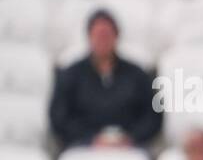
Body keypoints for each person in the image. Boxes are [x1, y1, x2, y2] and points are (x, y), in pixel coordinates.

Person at [48, 8, 161, 148]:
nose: (102, 40)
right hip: (82, 147)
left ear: (116, 36)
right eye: (98, 35)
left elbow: (153, 115)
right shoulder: (71, 74)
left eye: (107, 35)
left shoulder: (137, 75)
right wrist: (90, 140)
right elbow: (59, 117)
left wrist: (130, 138)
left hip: (130, 148)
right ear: (89, 37)